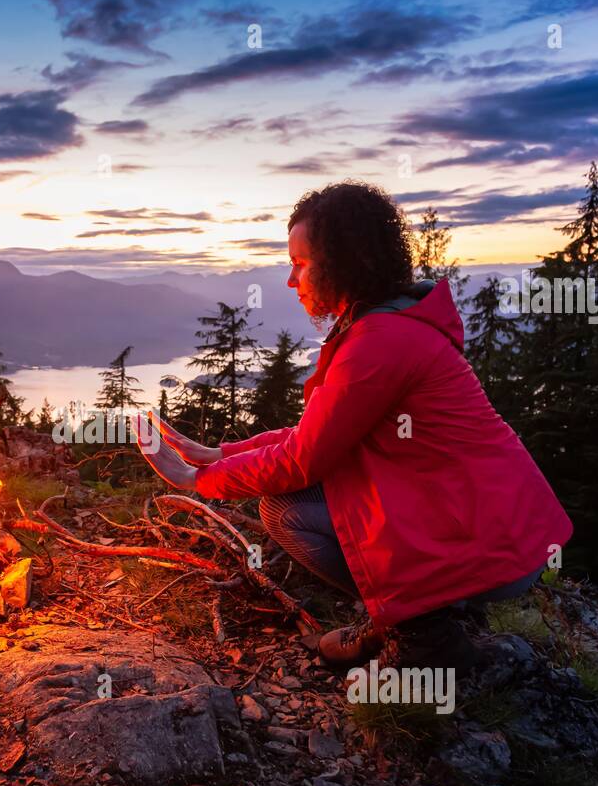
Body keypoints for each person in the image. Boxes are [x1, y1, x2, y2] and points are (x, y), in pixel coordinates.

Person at [136, 180, 572, 672]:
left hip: (494, 542)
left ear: (345, 262)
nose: (290, 279)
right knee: (315, 499)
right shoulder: (385, 324)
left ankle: (423, 635)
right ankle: (423, 612)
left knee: (286, 511)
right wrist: (220, 456)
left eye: (300, 264)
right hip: (490, 524)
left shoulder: (379, 341)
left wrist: (197, 481)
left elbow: (304, 460)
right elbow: (318, 435)